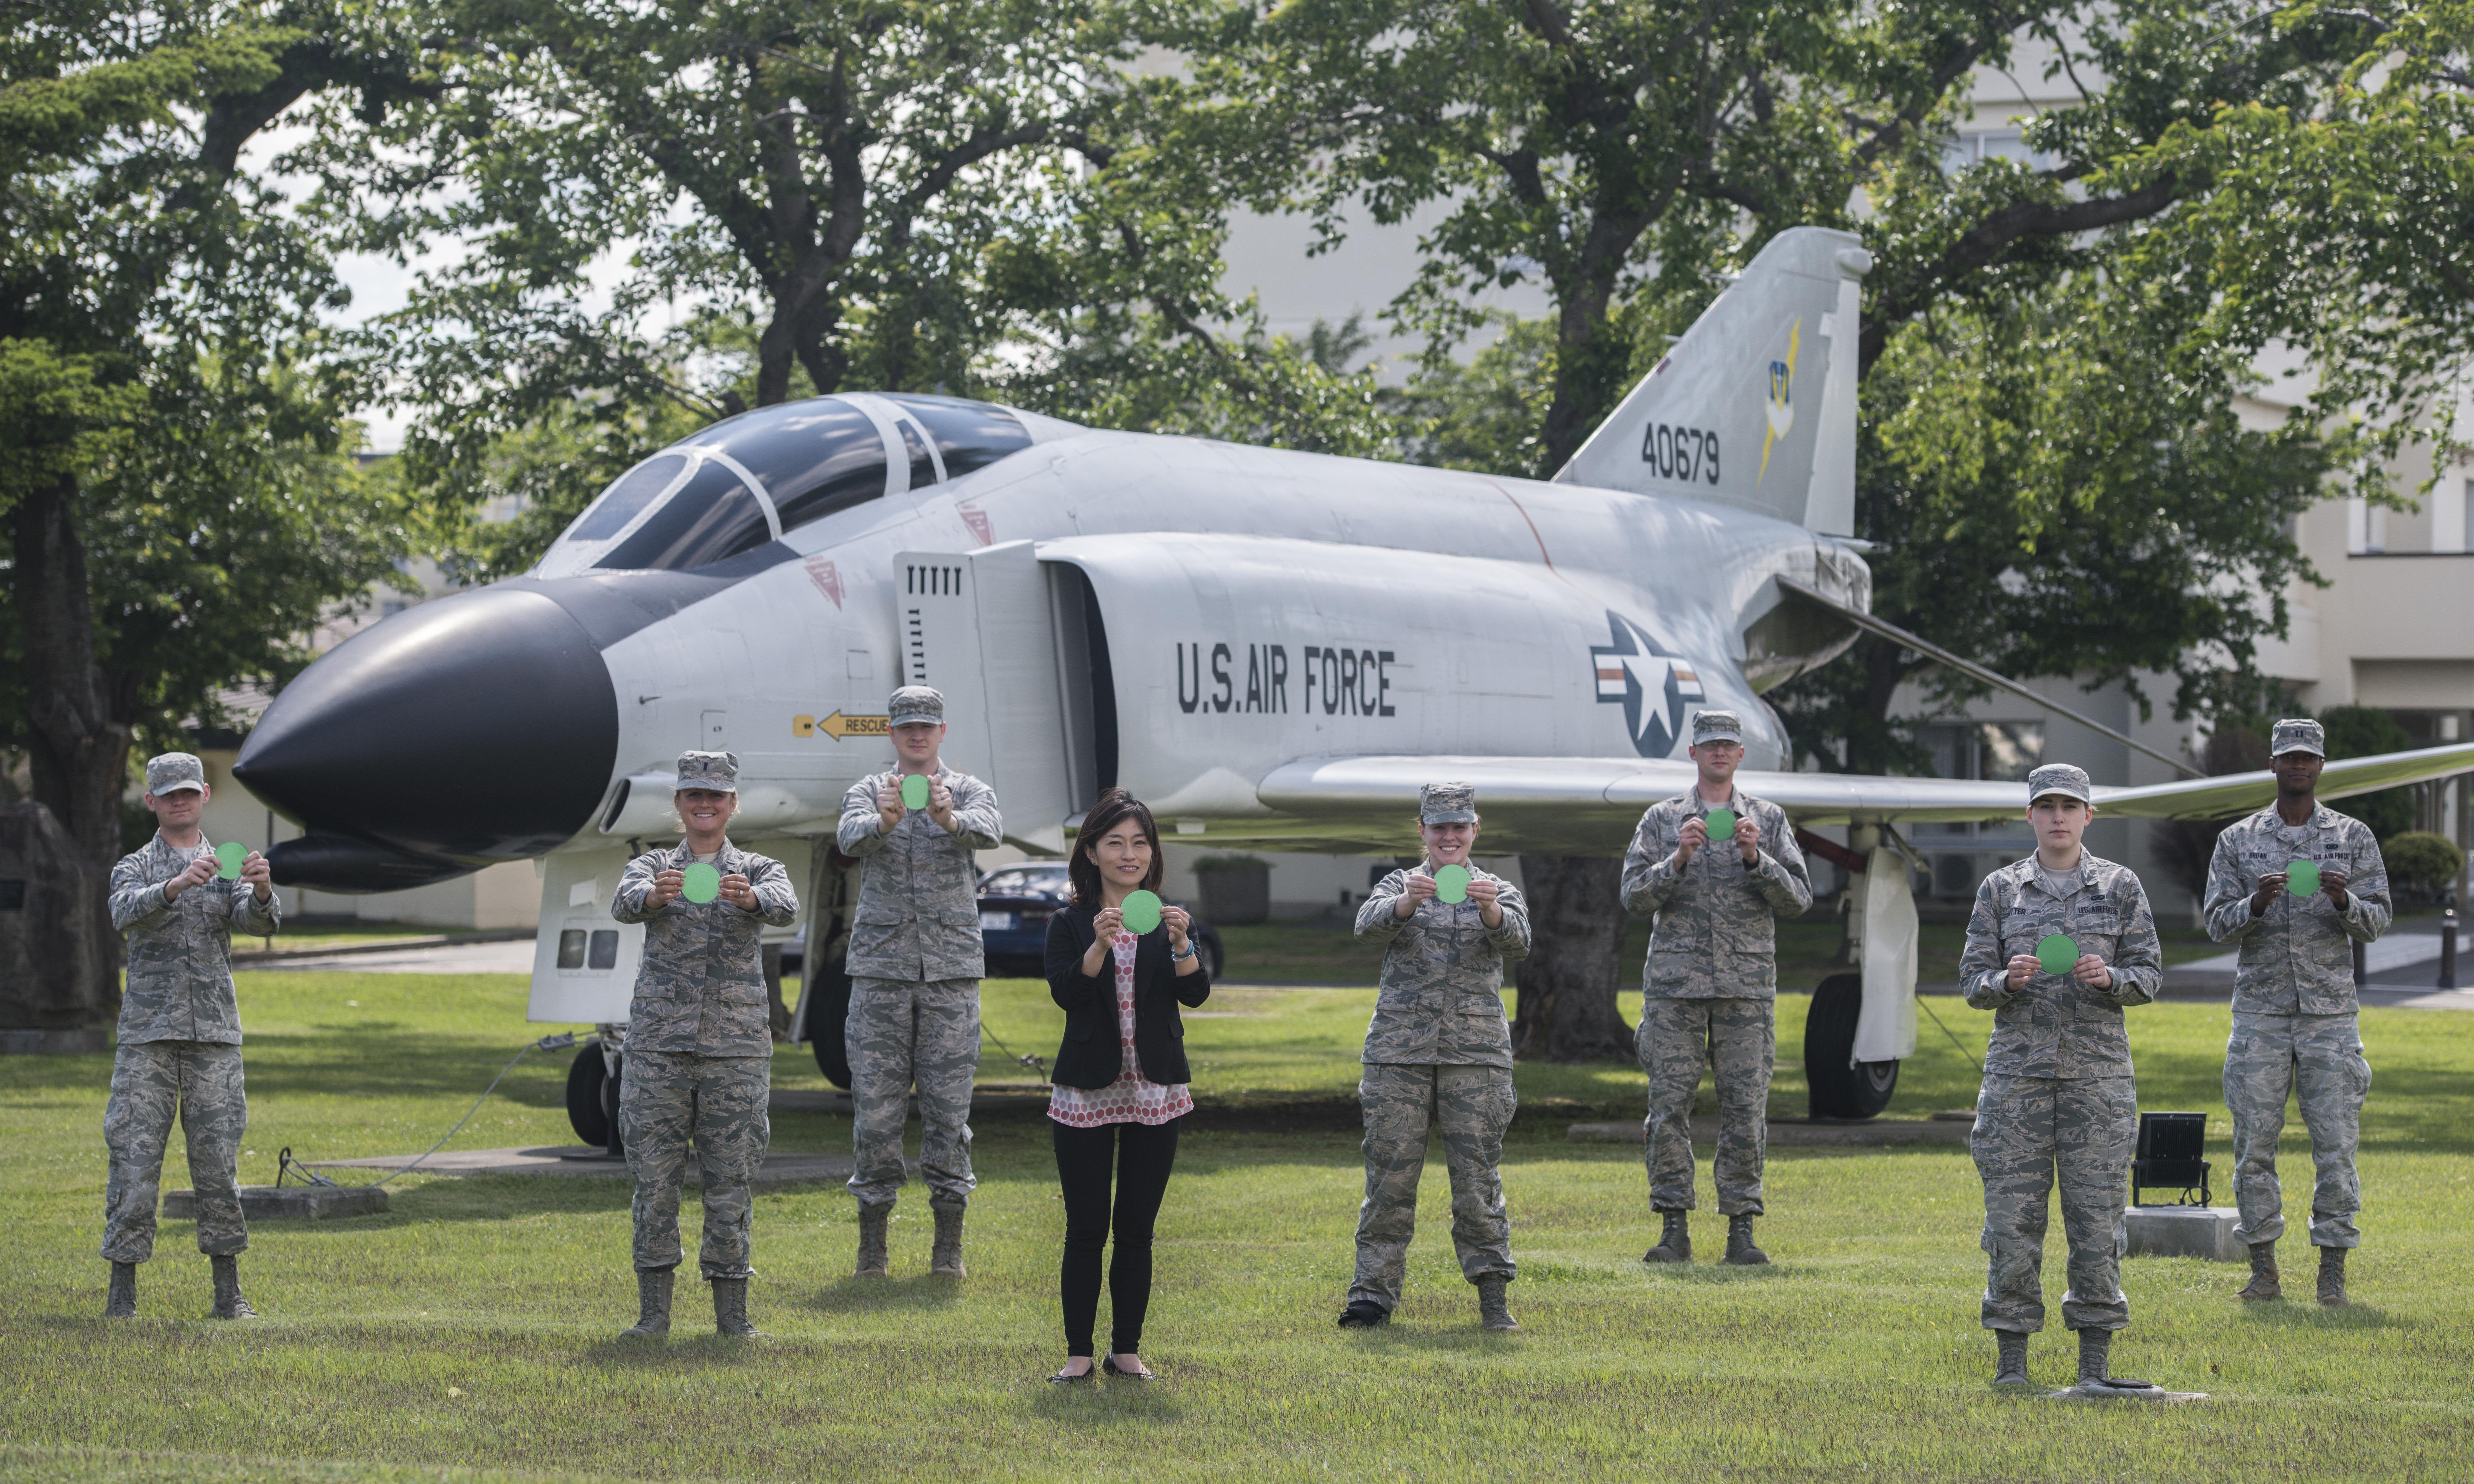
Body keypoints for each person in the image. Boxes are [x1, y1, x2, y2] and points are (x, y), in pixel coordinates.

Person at [1959, 763, 2164, 1391]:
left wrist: (2112, 979)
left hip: (2096, 1083)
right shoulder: (2001, 890)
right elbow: (1971, 981)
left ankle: (2094, 1366)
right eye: (2046, 806)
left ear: (2088, 816)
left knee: (2097, 1225)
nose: (2058, 817)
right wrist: (2005, 981)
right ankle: (2012, 1365)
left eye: (2069, 807)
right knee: (2011, 1224)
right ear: (2030, 816)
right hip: (2017, 1082)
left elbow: (2150, 975)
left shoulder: (2121, 887)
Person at [608, 750, 799, 1339]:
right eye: (694, 794)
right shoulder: (653, 866)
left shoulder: (759, 869)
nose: (704, 804)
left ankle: (733, 1317)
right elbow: (623, 903)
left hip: (734, 1053)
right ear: (679, 803)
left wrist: (751, 901)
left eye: (716, 796)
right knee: (654, 1184)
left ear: (732, 804)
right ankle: (653, 1316)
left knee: (730, 1185)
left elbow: (786, 908)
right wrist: (654, 898)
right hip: (659, 1051)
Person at [2201, 717, 2389, 1307]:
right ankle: (2263, 1271)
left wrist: (2346, 900)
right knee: (2254, 1146)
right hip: (2261, 1014)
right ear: (2274, 766)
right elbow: (2215, 923)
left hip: (2330, 1017)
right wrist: (2254, 905)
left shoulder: (2353, 837)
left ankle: (2332, 1273)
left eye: (2308, 757)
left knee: (2336, 1146)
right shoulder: (2238, 841)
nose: (2299, 766)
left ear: (2322, 766)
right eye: (2290, 757)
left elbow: (2378, 921)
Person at [1620, 710, 1812, 1266]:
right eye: (1710, 746)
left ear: (1741, 754)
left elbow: (1799, 900)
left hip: (1744, 990)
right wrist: (1676, 859)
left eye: (1728, 745)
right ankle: (1673, 1227)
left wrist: (1757, 858)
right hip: (1675, 990)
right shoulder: (1662, 819)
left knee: (1746, 1111)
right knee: (1668, 1109)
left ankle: (1741, 1231)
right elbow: (1632, 897)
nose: (1719, 753)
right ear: (1694, 753)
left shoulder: (1768, 820)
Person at [1340, 781, 1531, 1333]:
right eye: (1439, 827)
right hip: (1398, 1056)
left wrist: (1490, 911)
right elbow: (1365, 928)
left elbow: (1520, 943)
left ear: (1475, 831)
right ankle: (1371, 1299)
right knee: (1390, 1183)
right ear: (1422, 831)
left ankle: (1493, 1297)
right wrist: (1407, 904)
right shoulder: (1399, 884)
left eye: (1459, 827)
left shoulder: (1497, 890)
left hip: (1476, 1059)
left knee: (1477, 1184)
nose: (1450, 837)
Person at [1040, 789, 1211, 1382]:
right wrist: (1098, 945)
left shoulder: (1170, 921)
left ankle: (1127, 1350)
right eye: (1115, 843)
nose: (1129, 854)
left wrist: (1184, 945)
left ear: (1153, 853)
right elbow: (1067, 994)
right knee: (1086, 1228)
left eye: (1140, 843)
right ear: (1091, 852)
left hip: (1156, 1090)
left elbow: (1196, 993)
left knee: (1137, 1230)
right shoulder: (1069, 922)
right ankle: (1079, 1354)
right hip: (1087, 1090)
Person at [101, 751, 278, 1319]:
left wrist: (263, 891)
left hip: (214, 1039)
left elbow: (255, 922)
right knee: (133, 1164)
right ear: (151, 801)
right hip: (148, 1040)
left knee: (218, 1167)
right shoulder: (134, 866)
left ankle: (229, 1294)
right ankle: (123, 1294)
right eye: (168, 793)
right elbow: (123, 913)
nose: (180, 801)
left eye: (188, 792)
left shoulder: (228, 862)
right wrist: (173, 887)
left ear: (204, 795)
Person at [834, 685, 1004, 1278]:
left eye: (926, 727)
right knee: (876, 1116)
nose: (916, 735)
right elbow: (848, 838)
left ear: (941, 732)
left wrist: (947, 817)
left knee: (949, 1114)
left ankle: (948, 1246)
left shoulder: (968, 791)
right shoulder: (868, 791)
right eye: (906, 726)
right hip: (880, 974)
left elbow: (991, 832)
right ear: (892, 733)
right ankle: (873, 1247)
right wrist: (883, 821)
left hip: (950, 976)